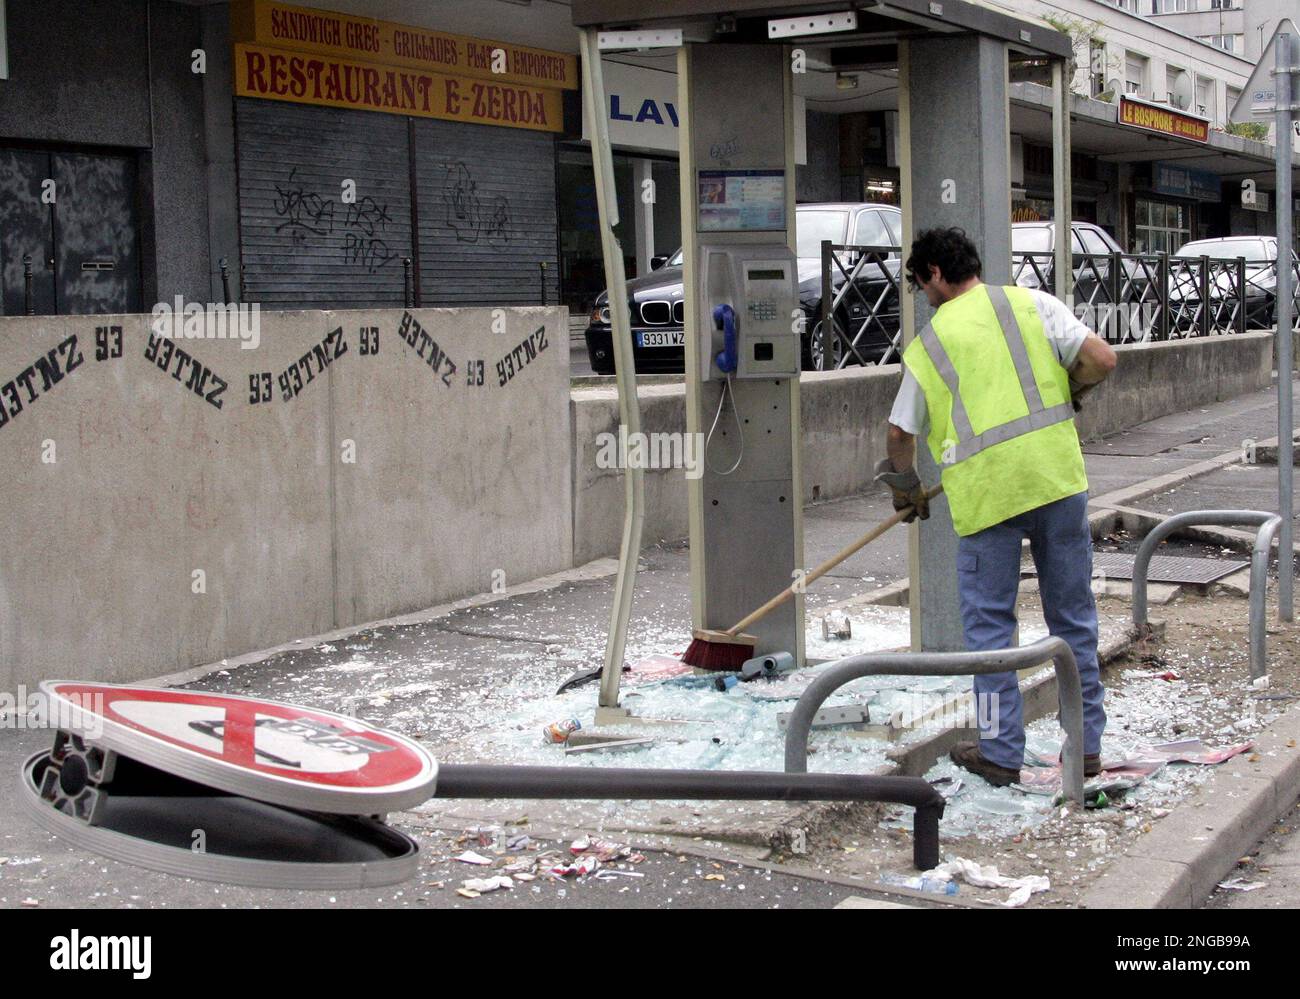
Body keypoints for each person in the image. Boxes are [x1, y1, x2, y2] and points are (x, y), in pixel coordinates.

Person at [875, 227, 1117, 787]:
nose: (923, 295)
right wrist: (1071, 389)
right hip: (1057, 483)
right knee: (1074, 621)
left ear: (935, 272)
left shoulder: (930, 346)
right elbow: (1102, 359)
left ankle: (1000, 753)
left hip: (989, 501)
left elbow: (898, 433)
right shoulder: (1032, 303)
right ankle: (1084, 750)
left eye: (920, 283)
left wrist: (905, 489)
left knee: (989, 635)